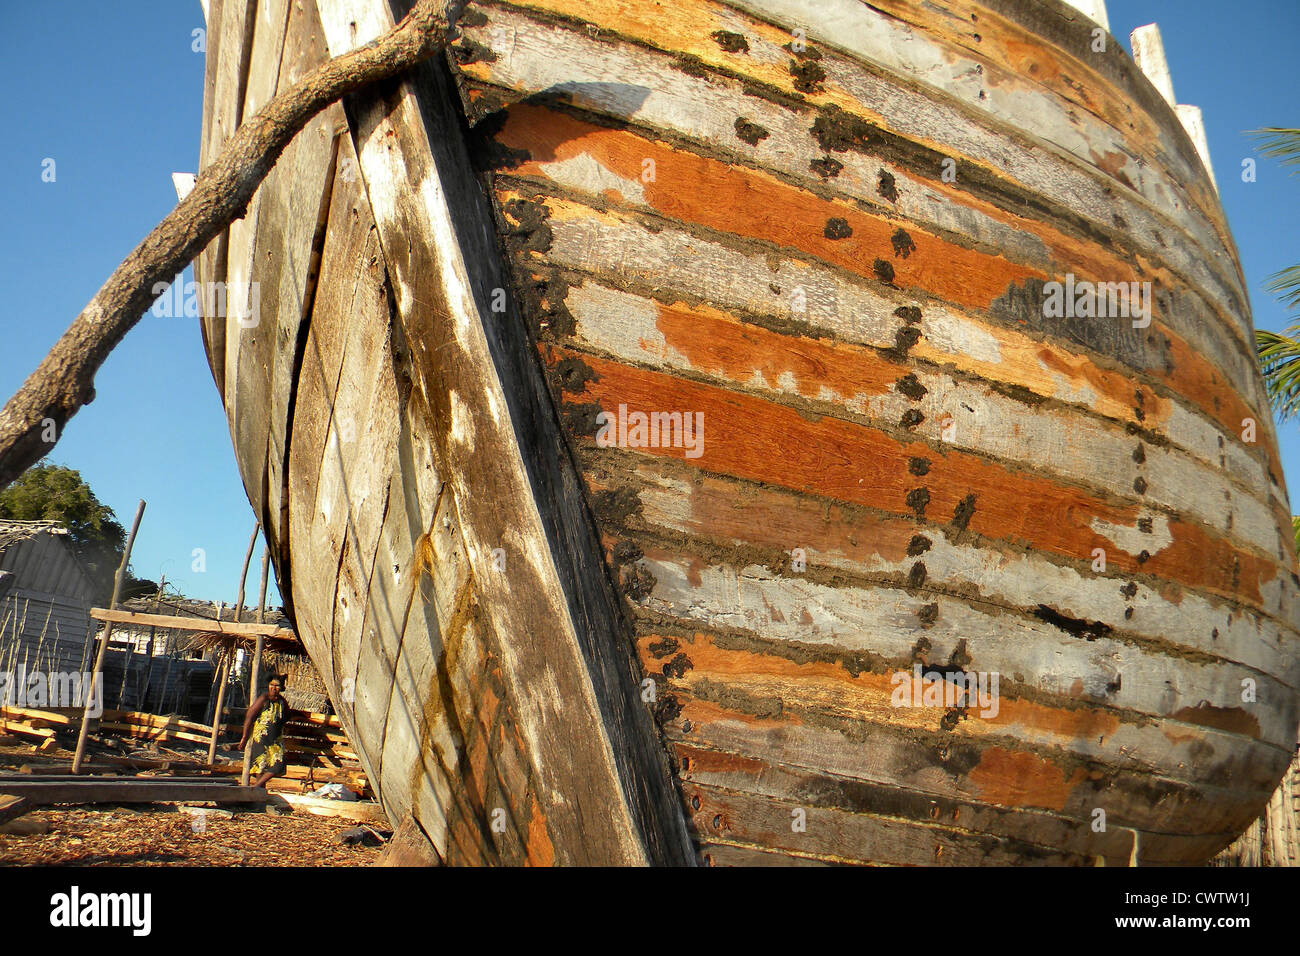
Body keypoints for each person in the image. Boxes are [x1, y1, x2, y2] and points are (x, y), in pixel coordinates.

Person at [240, 674, 290, 788]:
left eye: (277, 686)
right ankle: (259, 796)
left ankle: (255, 788)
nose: (274, 688)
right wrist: (244, 737)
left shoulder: (282, 702)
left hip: (275, 740)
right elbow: (249, 716)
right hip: (261, 738)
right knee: (260, 768)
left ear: (281, 687)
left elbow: (287, 716)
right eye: (271, 685)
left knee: (279, 765)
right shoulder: (263, 698)